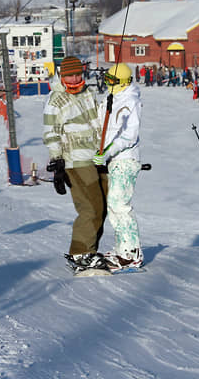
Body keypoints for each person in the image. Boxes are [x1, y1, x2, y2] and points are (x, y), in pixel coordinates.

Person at [43, 56, 109, 272]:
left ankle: (89, 250)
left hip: (96, 157)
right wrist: (58, 162)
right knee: (90, 208)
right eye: (70, 75)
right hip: (75, 161)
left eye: (78, 74)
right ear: (62, 76)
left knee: (103, 207)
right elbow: (51, 132)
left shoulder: (88, 93)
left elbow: (99, 122)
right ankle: (80, 253)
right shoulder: (56, 100)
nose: (74, 79)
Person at [95, 63, 144, 272]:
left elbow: (129, 136)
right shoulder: (109, 99)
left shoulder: (131, 102)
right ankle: (121, 248)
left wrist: (108, 150)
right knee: (113, 206)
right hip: (111, 160)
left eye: (113, 81)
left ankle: (131, 253)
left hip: (125, 159)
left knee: (119, 203)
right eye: (107, 80)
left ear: (124, 82)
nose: (109, 85)